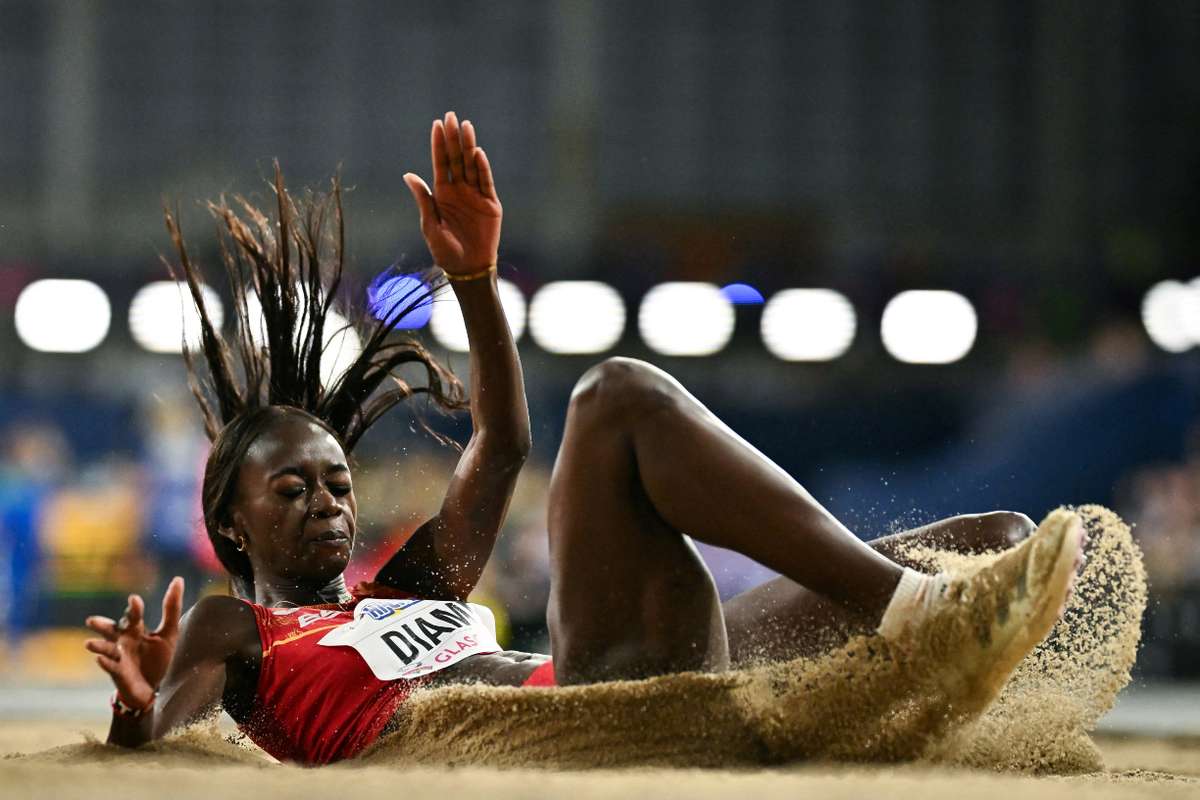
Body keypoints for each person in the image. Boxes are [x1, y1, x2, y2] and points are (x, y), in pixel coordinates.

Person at [83, 112, 1085, 766]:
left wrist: (476, 282)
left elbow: (505, 446)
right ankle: (911, 615)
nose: (328, 502)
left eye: (338, 482)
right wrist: (141, 707)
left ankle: (929, 646)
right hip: (590, 717)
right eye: (292, 490)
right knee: (612, 398)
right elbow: (167, 715)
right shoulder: (240, 630)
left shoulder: (407, 590)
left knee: (992, 536)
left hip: (640, 680)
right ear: (230, 520)